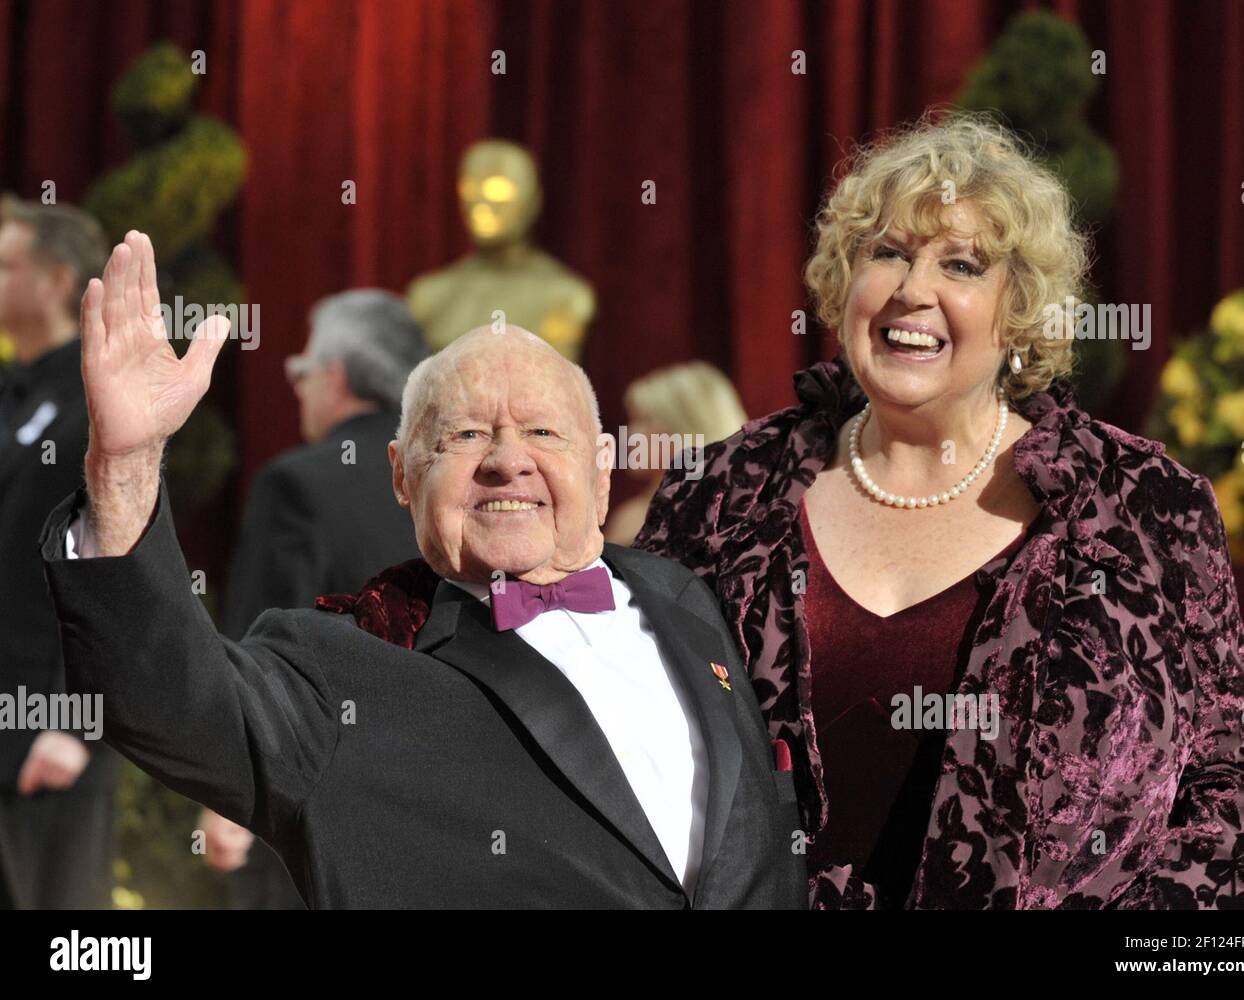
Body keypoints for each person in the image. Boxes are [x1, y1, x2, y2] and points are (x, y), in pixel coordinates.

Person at [636, 112, 1244, 909]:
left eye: (962, 264)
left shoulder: (1143, 505)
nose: (914, 291)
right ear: (844, 279)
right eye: (888, 253)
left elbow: (1233, 779)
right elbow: (630, 738)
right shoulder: (720, 490)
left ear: (1018, 310)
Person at [40, 231, 806, 908]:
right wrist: (127, 462)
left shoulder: (692, 600)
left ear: (604, 469)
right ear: (403, 474)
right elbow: (160, 697)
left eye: (544, 430)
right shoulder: (343, 664)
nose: (508, 461)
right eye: (467, 434)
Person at [200, 289, 428, 909]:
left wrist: (227, 794)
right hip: (442, 796)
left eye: (300, 372)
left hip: (317, 800)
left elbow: (258, 650)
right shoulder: (453, 477)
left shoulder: (298, 484)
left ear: (336, 377)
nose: (296, 387)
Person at [0, 196, 118, 909]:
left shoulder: (93, 400)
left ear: (54, 280)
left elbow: (116, 573)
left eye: (4, 265)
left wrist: (80, 721)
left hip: (50, 729)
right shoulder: (12, 390)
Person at [604, 361, 746, 545]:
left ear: (686, 428)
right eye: (632, 420)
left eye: (644, 420)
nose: (631, 433)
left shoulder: (733, 515)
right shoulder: (631, 517)